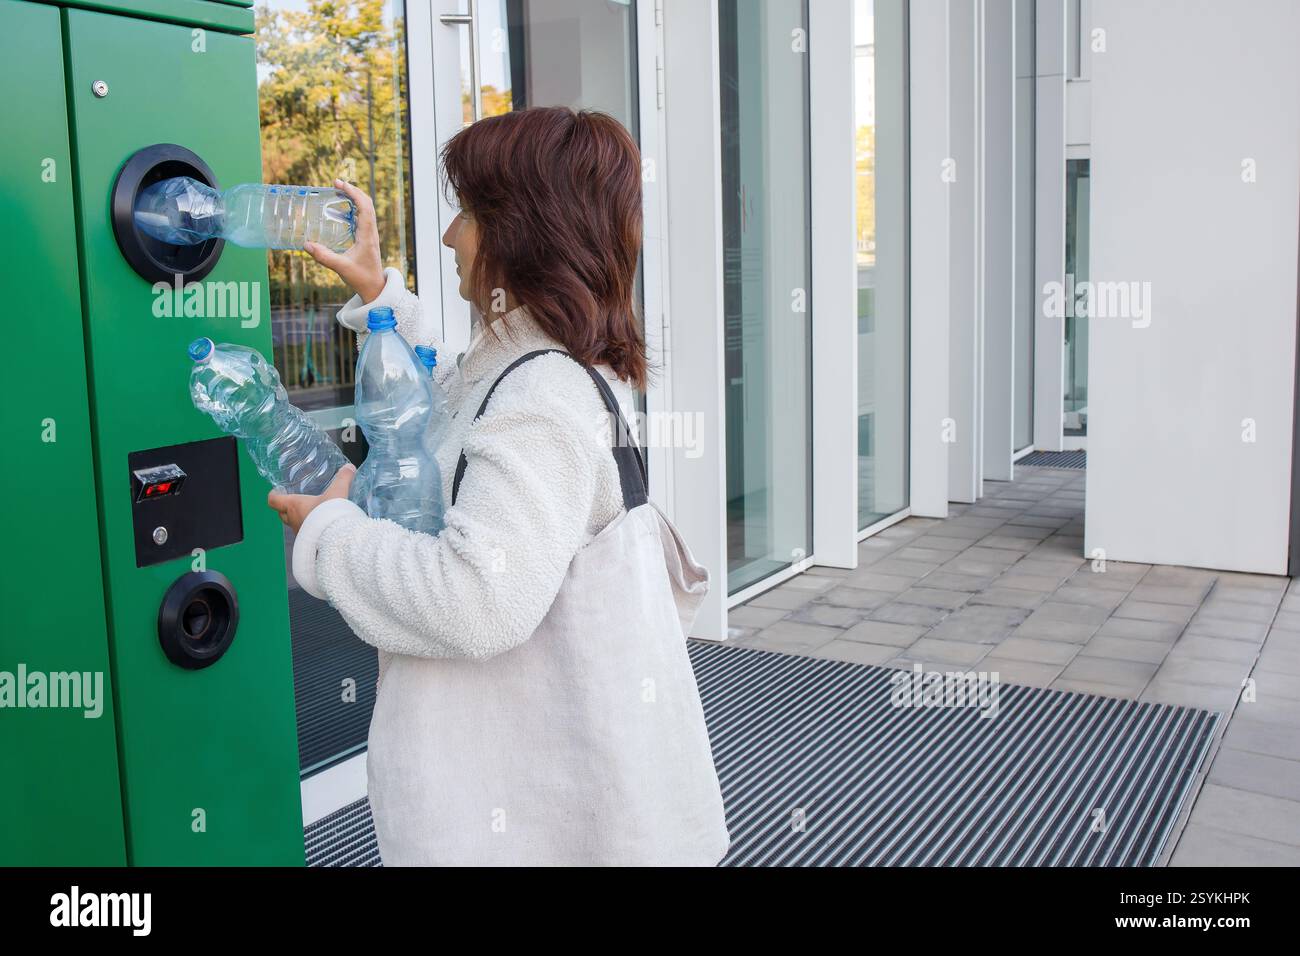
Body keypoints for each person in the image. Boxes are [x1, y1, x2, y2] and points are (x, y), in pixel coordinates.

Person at [267, 107, 729, 866]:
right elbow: (457, 395)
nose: (450, 236)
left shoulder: (542, 398)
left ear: (519, 234)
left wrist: (331, 530)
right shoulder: (546, 363)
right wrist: (383, 296)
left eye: (470, 215)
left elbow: (477, 599)